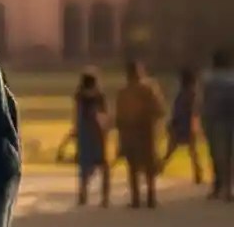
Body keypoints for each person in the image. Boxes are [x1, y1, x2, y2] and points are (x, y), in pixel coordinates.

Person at [114, 60, 167, 208]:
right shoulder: (148, 89)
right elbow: (159, 110)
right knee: (148, 164)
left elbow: (119, 117)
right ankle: (151, 196)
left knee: (133, 166)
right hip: (145, 130)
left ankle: (136, 198)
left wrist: (120, 137)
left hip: (131, 131)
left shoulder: (124, 92)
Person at [57, 69, 111, 207]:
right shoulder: (99, 97)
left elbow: (78, 117)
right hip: (96, 133)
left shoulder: (80, 97)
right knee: (103, 166)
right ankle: (104, 198)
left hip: (84, 133)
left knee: (84, 167)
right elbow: (104, 115)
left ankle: (83, 195)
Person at [158, 67, 204, 184]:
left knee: (172, 151)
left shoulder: (182, 94)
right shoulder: (191, 94)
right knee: (192, 152)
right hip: (186, 125)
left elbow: (179, 111)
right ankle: (198, 175)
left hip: (180, 125)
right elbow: (193, 111)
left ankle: (158, 168)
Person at [201, 48, 234, 200]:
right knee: (228, 156)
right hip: (228, 118)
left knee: (218, 156)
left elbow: (205, 102)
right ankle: (227, 188)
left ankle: (220, 187)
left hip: (216, 121)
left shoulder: (208, 79)